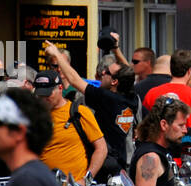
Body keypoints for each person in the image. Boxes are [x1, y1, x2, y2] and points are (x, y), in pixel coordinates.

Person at [46, 39, 135, 177]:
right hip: (120, 165)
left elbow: (74, 80)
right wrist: (116, 49)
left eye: (106, 72)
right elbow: (129, 73)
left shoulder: (106, 98)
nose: (102, 72)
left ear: (114, 81)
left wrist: (56, 54)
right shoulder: (132, 98)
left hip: (104, 166)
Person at [34, 70, 107, 184]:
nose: (44, 99)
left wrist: (86, 180)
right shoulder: (33, 115)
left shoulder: (79, 112)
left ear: (60, 88)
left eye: (47, 94)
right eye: (40, 95)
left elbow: (101, 148)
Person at [131, 97, 189, 186]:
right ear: (164, 125)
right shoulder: (150, 158)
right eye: (180, 125)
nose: (185, 130)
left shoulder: (161, 152)